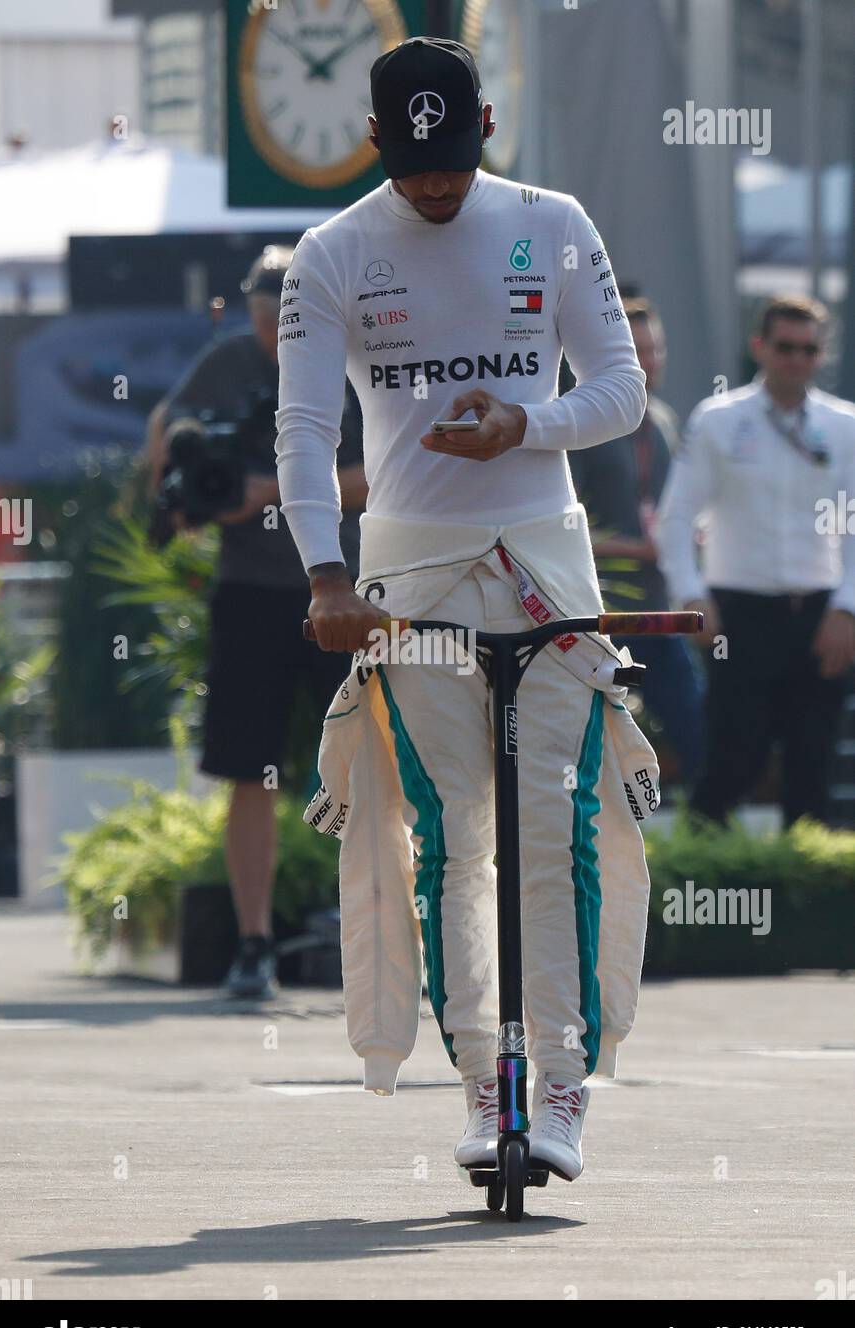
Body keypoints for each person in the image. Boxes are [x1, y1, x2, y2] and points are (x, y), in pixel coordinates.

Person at [276, 37, 652, 1182]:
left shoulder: (555, 218)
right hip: (406, 578)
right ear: (376, 144)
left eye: (450, 157)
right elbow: (301, 432)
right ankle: (481, 1083)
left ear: (486, 125)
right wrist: (323, 576)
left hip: (542, 561)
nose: (432, 184)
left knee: (553, 821)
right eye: (409, 162)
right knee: (451, 841)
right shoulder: (328, 252)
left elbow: (622, 393)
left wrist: (522, 428)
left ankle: (561, 1088)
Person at [146, 247, 367, 998]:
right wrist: (178, 487)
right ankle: (252, 944)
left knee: (374, 763)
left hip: (346, 589)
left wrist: (270, 490)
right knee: (249, 772)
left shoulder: (354, 357)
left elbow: (388, 470)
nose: (272, 332)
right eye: (262, 317)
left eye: (285, 317)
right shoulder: (229, 361)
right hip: (251, 592)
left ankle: (381, 937)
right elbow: (167, 428)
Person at [657, 294, 855, 827]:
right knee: (732, 756)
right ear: (760, 347)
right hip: (738, 611)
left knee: (812, 764)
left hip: (820, 612)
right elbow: (676, 517)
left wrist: (848, 610)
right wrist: (692, 595)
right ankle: (700, 886)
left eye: (809, 350)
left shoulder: (845, 426)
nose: (797, 360)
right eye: (786, 347)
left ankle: (805, 897)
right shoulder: (719, 419)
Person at [569, 299, 706, 786]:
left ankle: (699, 838)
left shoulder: (664, 420)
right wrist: (638, 549)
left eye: (656, 350)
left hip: (658, 607)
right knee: (590, 735)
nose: (649, 362)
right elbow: (564, 524)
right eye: (638, 350)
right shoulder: (586, 420)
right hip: (600, 610)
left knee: (693, 724)